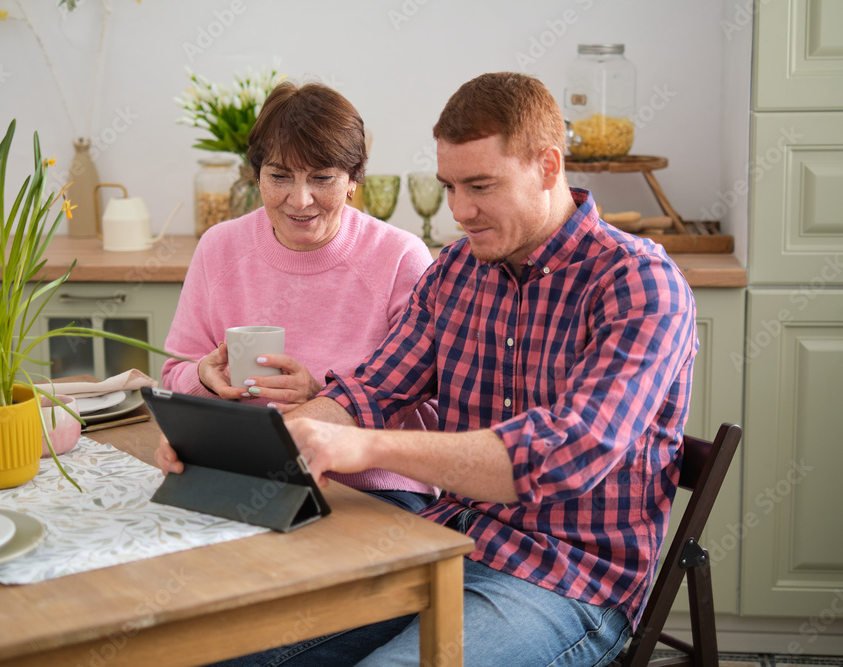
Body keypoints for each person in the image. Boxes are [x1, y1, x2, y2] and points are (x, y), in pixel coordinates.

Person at [217, 72, 699, 666]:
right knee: (227, 646)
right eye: (449, 187)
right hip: (445, 545)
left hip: (567, 581)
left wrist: (364, 447)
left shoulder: (638, 283)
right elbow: (370, 390)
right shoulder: (455, 272)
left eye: (481, 186)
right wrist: (236, 451)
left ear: (548, 167)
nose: (460, 211)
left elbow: (568, 452)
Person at [157, 81, 437, 512]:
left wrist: (325, 400)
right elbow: (174, 374)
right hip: (243, 468)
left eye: (322, 178)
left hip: (370, 484)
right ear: (256, 175)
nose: (300, 200)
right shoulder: (219, 247)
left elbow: (431, 405)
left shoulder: (400, 257)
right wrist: (204, 378)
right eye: (279, 176)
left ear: (353, 179)